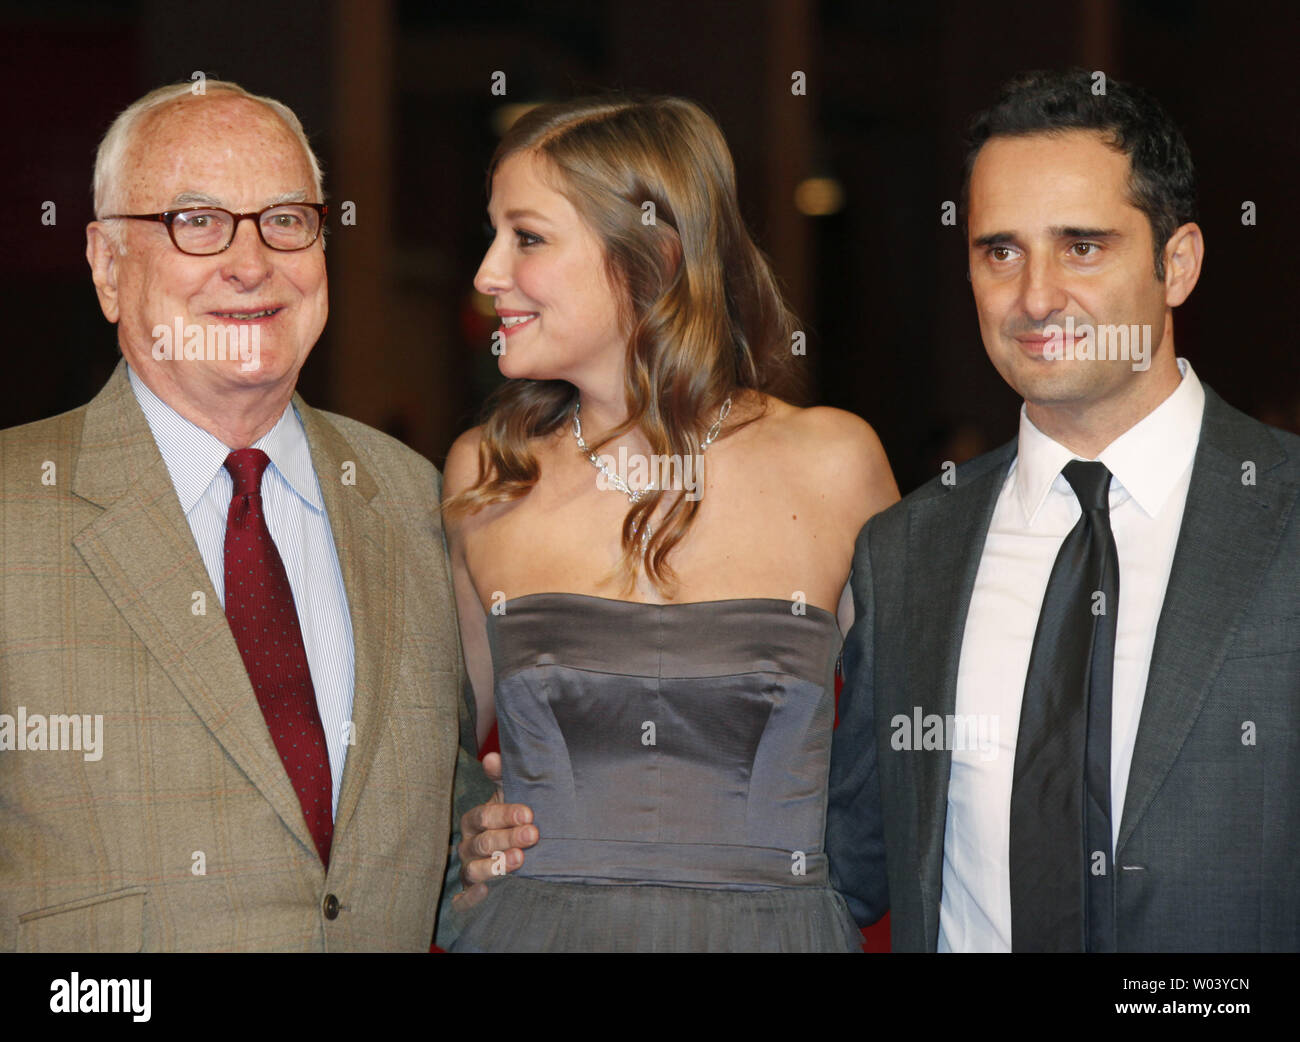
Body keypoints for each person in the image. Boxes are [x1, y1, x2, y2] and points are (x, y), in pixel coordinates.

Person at [0, 81, 489, 951]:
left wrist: (494, 852)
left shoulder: (420, 504)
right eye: (197, 222)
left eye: (286, 220)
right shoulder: (13, 510)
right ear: (108, 267)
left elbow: (447, 840)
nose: (252, 262)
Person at [827, 69, 1300, 952]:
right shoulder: (906, 555)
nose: (1035, 297)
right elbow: (840, 867)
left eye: (1082, 246)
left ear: (1179, 263)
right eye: (1000, 251)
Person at [442, 95, 898, 951]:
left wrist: (828, 899)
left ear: (650, 255)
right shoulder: (487, 474)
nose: (487, 272)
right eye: (494, 234)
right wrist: (465, 836)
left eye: (527, 237)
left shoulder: (836, 464)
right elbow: (431, 756)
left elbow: (905, 755)